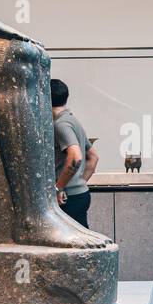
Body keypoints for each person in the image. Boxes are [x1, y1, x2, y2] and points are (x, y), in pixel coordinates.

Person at [51, 79, 100, 228]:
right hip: (79, 195)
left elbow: (76, 157)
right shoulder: (72, 121)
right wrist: (80, 183)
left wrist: (59, 188)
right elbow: (93, 157)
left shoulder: (61, 124)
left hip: (67, 198)